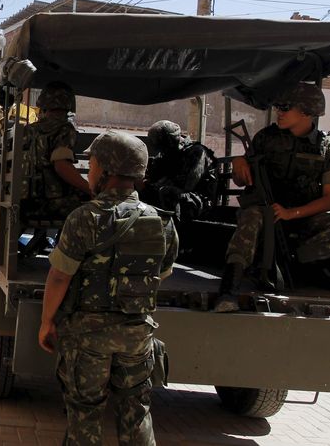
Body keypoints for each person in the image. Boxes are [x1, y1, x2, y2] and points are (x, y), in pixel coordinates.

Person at [38, 131, 177, 446]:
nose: (89, 171)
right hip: (137, 335)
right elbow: (161, 273)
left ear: (106, 170)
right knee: (137, 412)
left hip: (88, 336)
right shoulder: (162, 221)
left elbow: (59, 277)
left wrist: (47, 321)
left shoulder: (83, 218)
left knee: (84, 413)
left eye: (92, 164)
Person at [215, 82, 330, 312]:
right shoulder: (266, 138)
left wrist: (291, 213)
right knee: (252, 215)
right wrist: (239, 164)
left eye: (285, 107)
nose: (279, 112)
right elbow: (242, 181)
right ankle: (229, 289)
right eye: (278, 107)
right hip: (266, 213)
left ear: (306, 112)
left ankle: (295, 263)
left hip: (304, 218)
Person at [22, 81, 91, 221]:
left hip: (22, 202)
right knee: (97, 208)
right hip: (49, 204)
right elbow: (61, 165)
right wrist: (91, 190)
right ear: (69, 104)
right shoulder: (64, 128)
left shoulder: (27, 130)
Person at [142, 120, 216, 221]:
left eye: (163, 147)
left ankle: (170, 226)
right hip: (178, 197)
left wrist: (159, 184)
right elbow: (154, 178)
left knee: (167, 192)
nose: (161, 151)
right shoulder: (167, 155)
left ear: (171, 142)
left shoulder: (197, 152)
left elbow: (187, 185)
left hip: (198, 202)